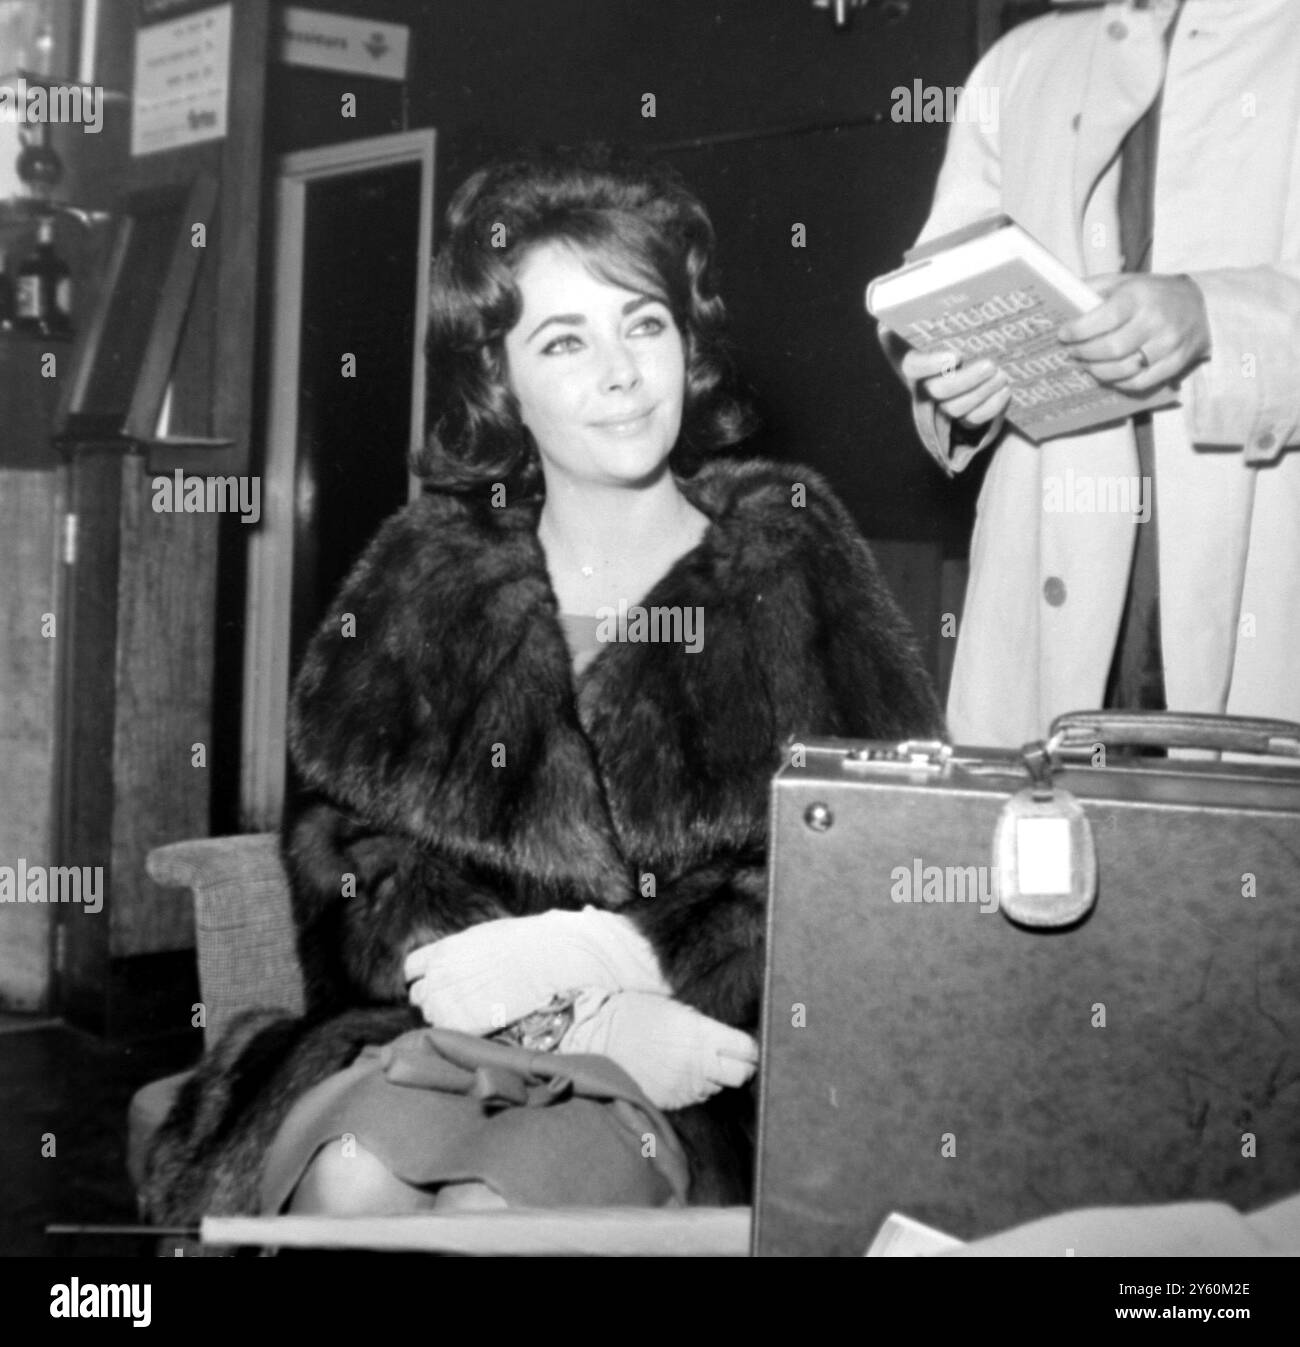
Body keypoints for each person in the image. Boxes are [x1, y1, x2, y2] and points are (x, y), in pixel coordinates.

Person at [143, 151, 943, 1224]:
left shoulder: (787, 560)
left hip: (701, 1059)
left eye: (645, 323)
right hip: (439, 1034)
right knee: (352, 1180)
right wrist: (533, 1004)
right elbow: (346, 858)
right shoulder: (427, 573)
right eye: (564, 341)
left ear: (688, 343)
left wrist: (627, 961)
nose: (620, 373)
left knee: (491, 1207)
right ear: (500, 383)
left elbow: (883, 865)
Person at [881, 0, 1300, 747]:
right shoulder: (1020, 64)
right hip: (1048, 552)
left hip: (1264, 559)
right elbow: (939, 295)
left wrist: (1215, 314)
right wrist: (958, 385)